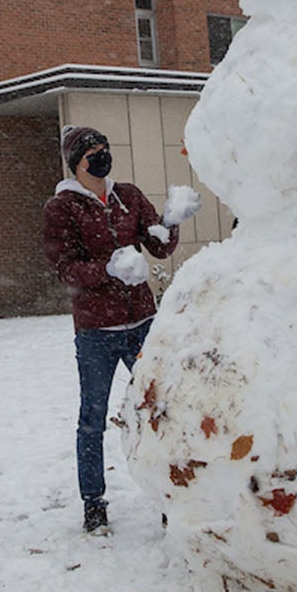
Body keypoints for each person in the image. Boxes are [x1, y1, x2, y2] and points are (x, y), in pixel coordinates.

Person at [42, 126, 190, 534]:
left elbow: (158, 246)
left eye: (105, 149)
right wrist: (105, 270)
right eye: (93, 152)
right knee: (92, 418)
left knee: (162, 411)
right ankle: (94, 501)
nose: (102, 156)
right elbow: (64, 269)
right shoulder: (63, 208)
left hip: (143, 322)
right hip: (96, 331)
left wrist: (170, 222)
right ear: (77, 163)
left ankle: (171, 498)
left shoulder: (127, 195)